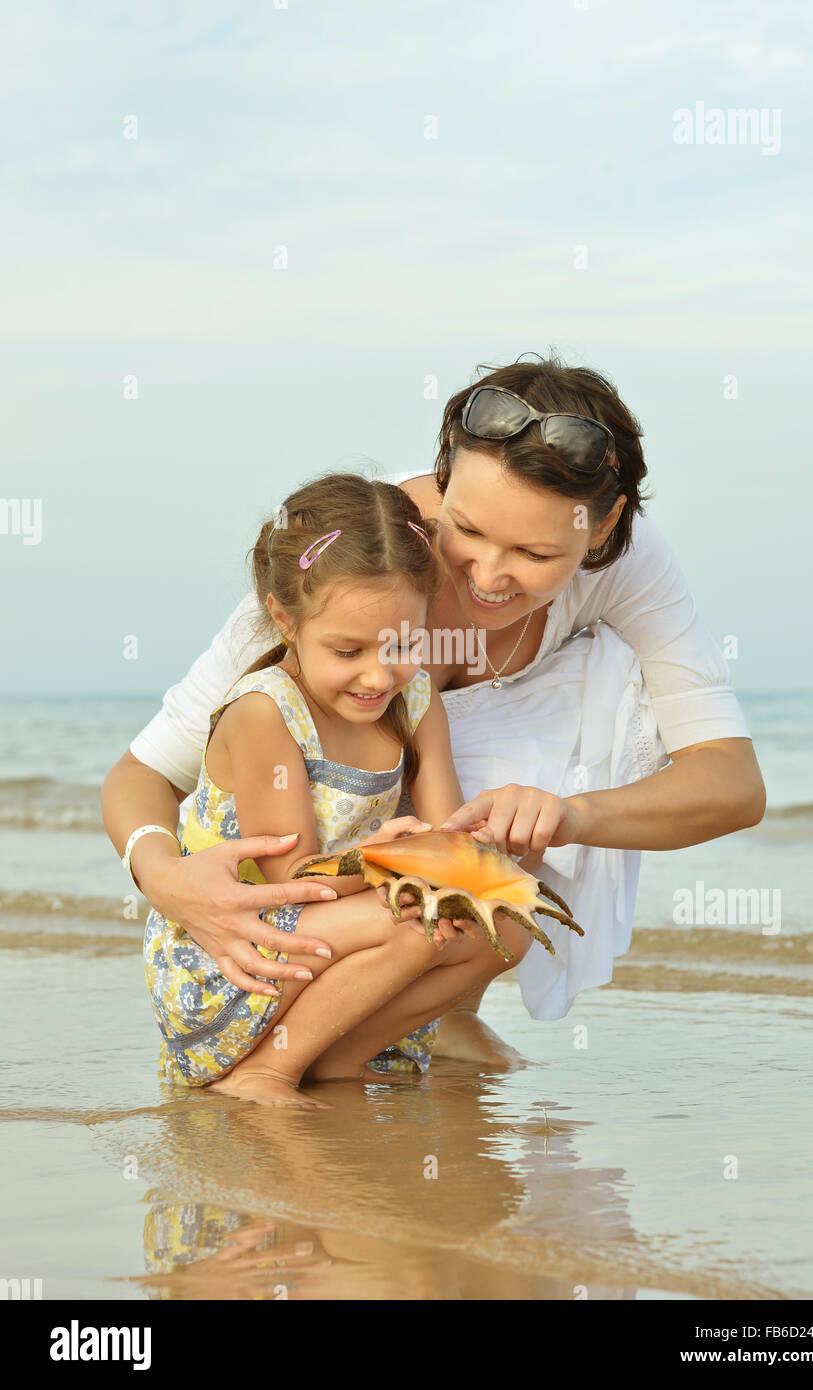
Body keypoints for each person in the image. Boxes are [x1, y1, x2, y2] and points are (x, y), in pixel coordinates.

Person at [102, 355, 765, 1061]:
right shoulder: (347, 563)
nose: (486, 575)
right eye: (468, 531)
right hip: (330, 880)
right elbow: (142, 774)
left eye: (533, 553)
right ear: (442, 480)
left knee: (610, 676)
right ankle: (330, 1032)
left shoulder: (628, 562)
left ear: (599, 528)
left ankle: (417, 1011)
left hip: (420, 845)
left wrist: (572, 814)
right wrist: (166, 877)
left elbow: (732, 782)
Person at [142, 474, 533, 1108]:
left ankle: (338, 1061)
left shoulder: (415, 700)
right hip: (242, 954)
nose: (378, 674)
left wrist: (481, 848)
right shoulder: (267, 714)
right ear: (284, 619)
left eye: (404, 643)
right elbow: (291, 880)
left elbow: (447, 835)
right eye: (348, 649)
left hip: (336, 935)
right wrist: (383, 861)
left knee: (502, 919)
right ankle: (267, 1069)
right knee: (418, 921)